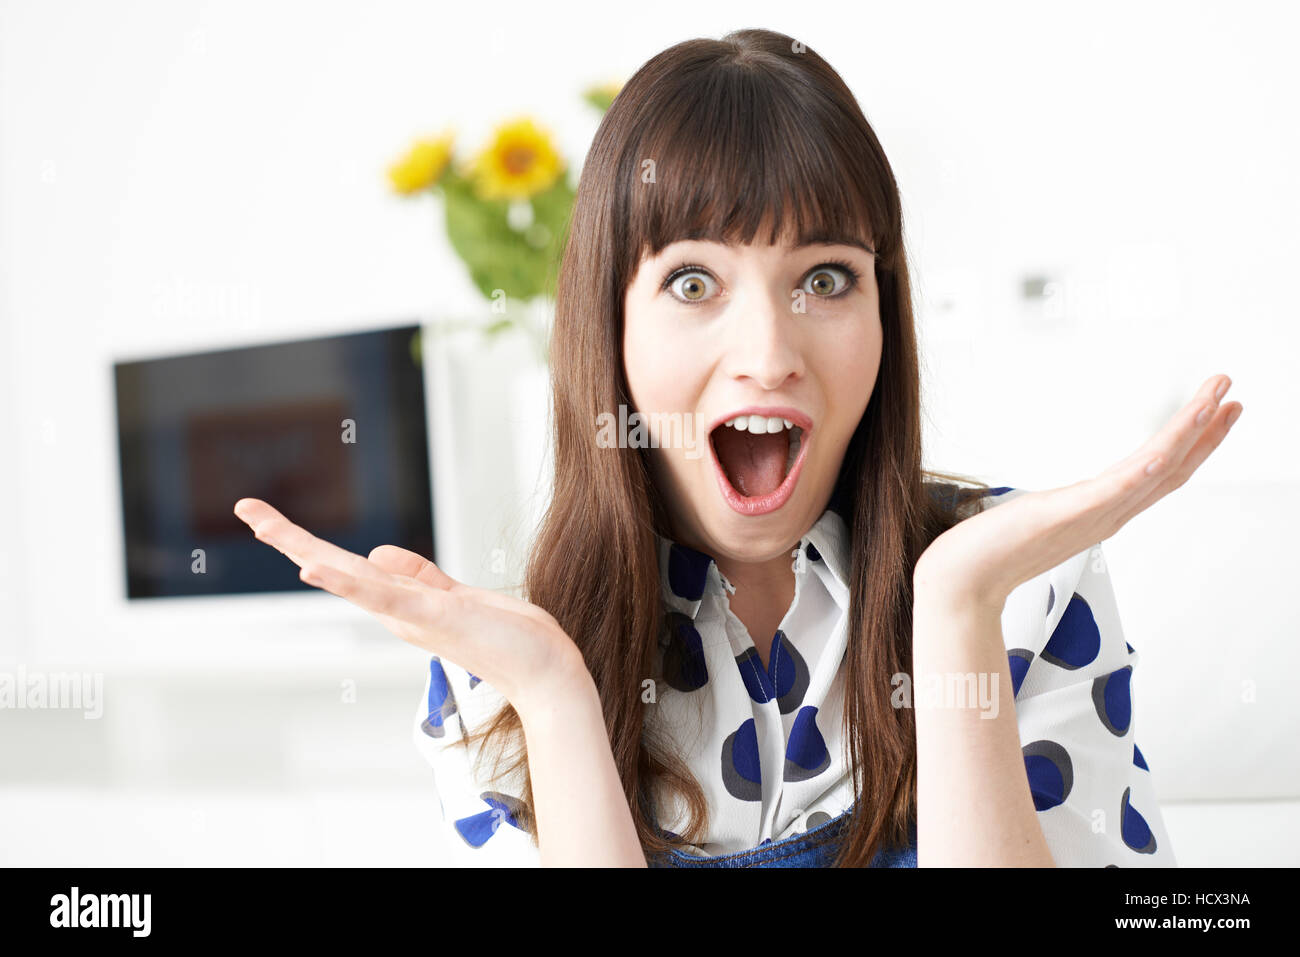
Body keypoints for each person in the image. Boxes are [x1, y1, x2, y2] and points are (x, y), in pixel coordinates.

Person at [234, 28, 1242, 867]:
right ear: (609, 333)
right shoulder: (495, 670)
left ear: (886, 314)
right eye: (690, 283)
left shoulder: (1028, 581)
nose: (767, 355)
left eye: (826, 278)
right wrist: (555, 694)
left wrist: (958, 609)